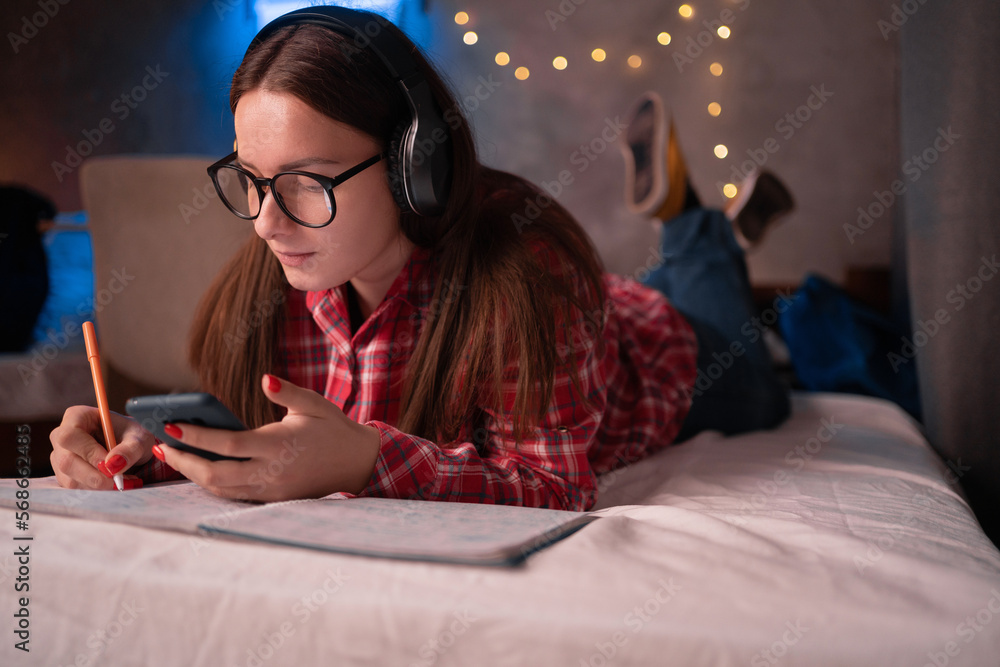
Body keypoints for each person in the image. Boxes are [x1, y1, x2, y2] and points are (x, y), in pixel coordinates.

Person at [50, 6, 790, 509]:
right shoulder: (282, 280)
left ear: (416, 167)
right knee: (668, 283)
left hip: (668, 360)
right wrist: (150, 452)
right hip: (590, 315)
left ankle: (695, 226)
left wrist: (366, 459)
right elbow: (262, 443)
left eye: (308, 183)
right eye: (252, 180)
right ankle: (710, 233)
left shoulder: (532, 273)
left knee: (755, 378)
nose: (267, 223)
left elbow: (557, 486)